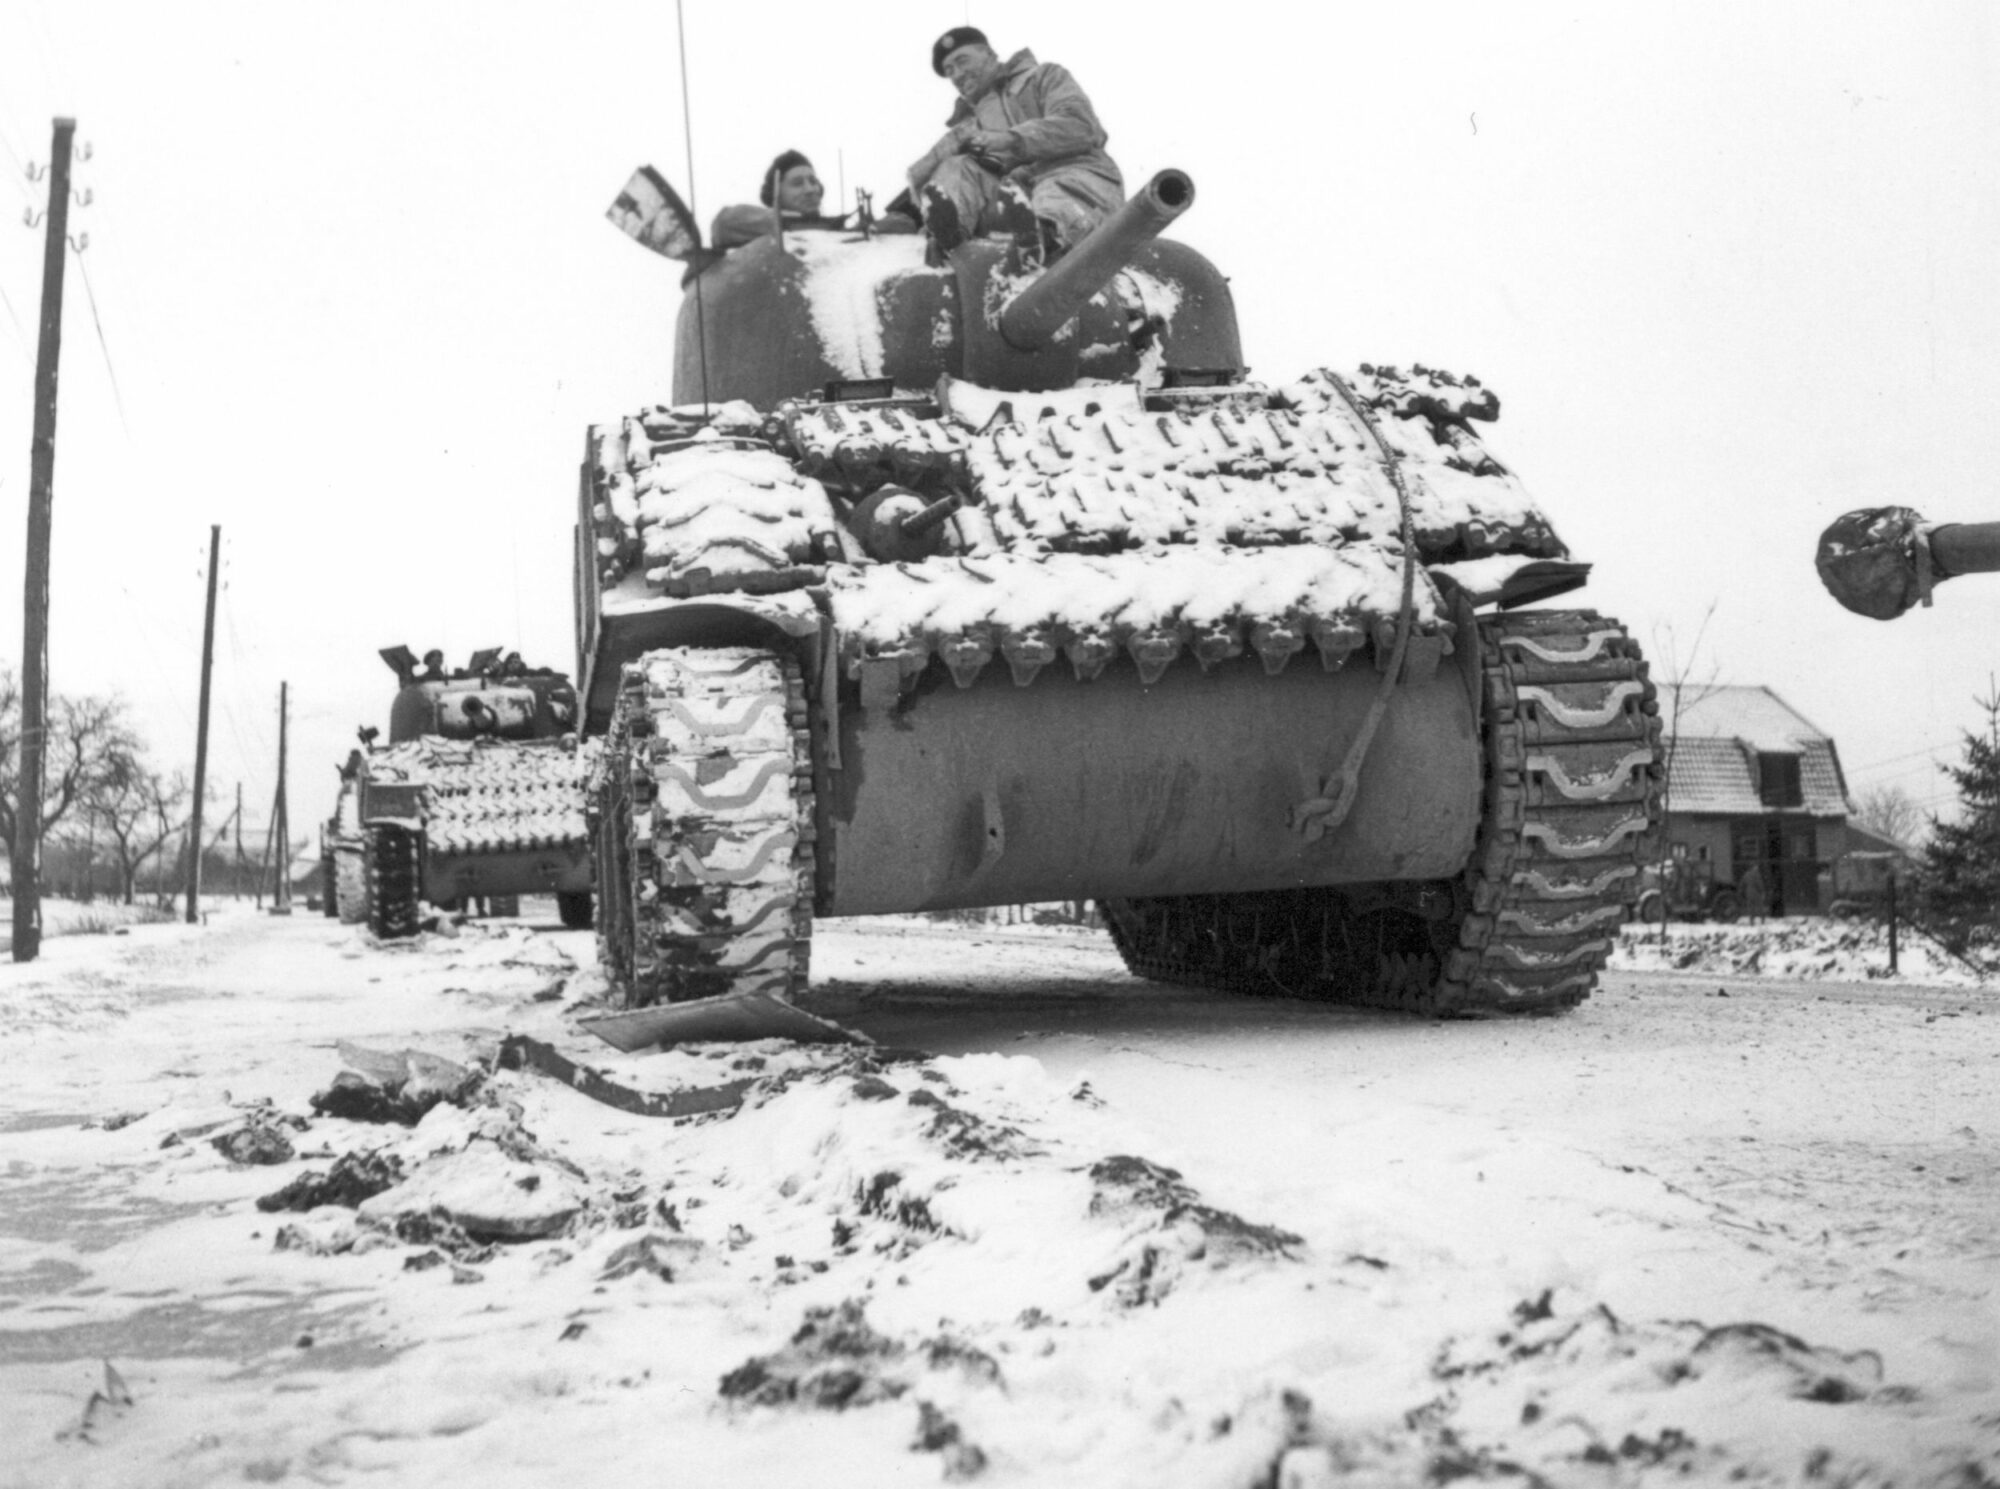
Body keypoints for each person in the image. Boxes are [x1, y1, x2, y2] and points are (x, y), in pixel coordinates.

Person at [905, 26, 1124, 262]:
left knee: (1055, 188)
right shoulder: (965, 127)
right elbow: (926, 178)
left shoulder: (1044, 77)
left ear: (989, 54)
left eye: (962, 61)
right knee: (956, 167)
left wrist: (1012, 139)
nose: (957, 74)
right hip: (1013, 203)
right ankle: (952, 244)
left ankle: (1045, 238)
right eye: (950, 70)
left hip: (1077, 178)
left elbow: (1081, 126)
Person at [709, 150, 847, 252]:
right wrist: (782, 221)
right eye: (797, 183)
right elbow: (723, 223)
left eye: (813, 181)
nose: (810, 189)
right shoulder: (760, 230)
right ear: (776, 194)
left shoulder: (837, 232)